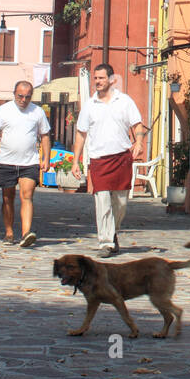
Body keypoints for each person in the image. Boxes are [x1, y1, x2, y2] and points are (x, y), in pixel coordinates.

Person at [71, 64, 145, 257]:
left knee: (120, 203)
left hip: (121, 157)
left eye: (101, 78)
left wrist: (138, 142)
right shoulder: (89, 105)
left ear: (111, 80)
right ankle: (105, 242)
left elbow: (137, 124)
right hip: (99, 160)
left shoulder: (124, 101)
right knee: (102, 201)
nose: (97, 81)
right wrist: (75, 160)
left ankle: (112, 233)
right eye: (95, 78)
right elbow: (81, 134)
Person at [0, 81, 49, 247]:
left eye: (27, 97)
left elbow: (45, 135)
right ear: (14, 94)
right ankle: (9, 232)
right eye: (20, 96)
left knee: (27, 196)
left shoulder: (38, 112)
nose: (23, 100)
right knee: (8, 198)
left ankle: (26, 233)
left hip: (30, 162)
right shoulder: (4, 110)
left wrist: (46, 158)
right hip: (7, 161)